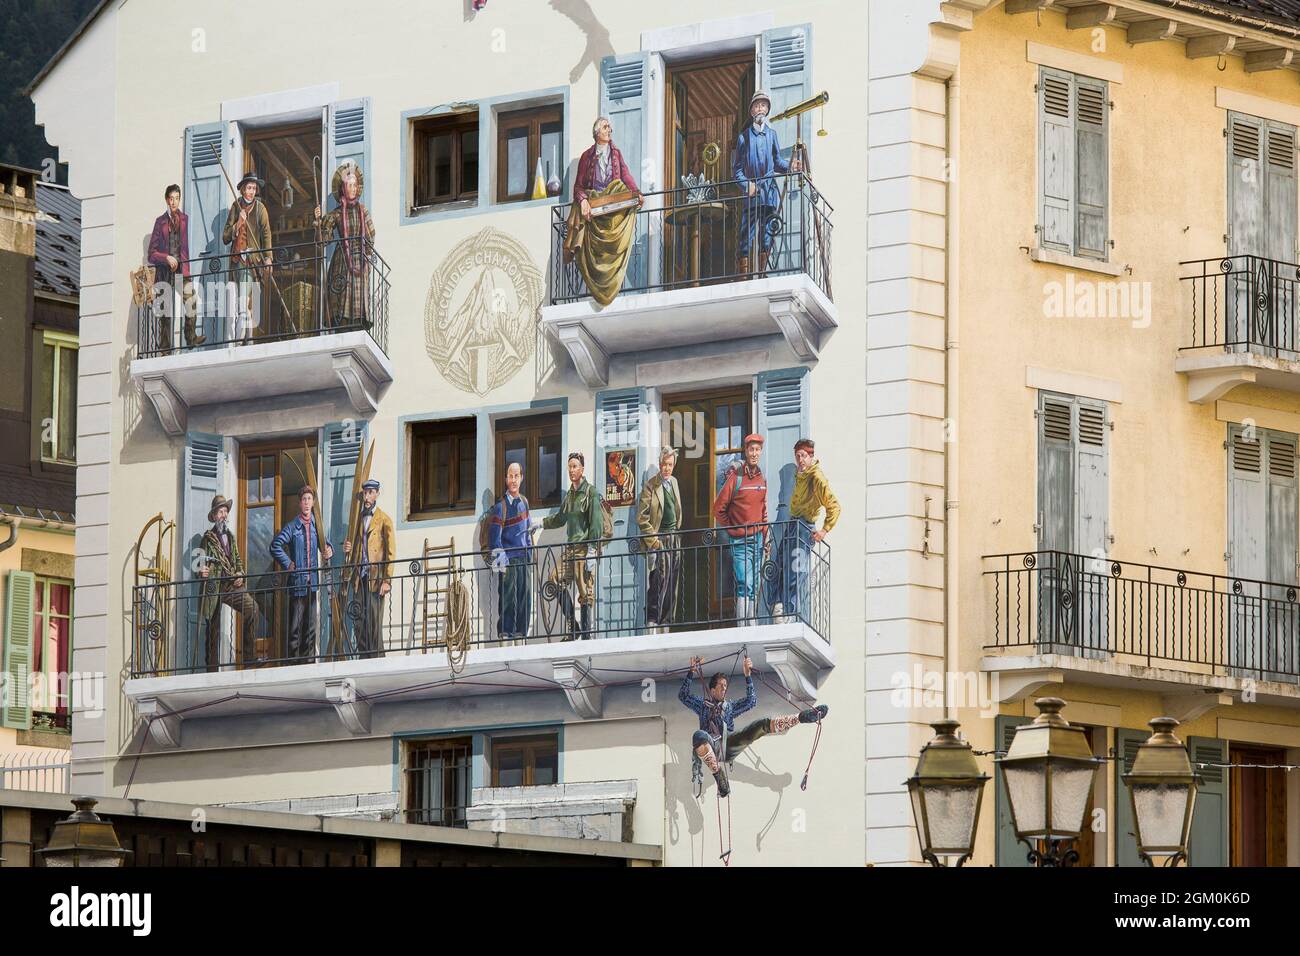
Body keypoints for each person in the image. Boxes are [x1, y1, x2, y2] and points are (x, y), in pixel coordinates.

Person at [679, 655, 827, 797]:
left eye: (725, 686)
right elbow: (683, 695)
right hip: (709, 745)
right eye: (721, 686)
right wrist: (691, 672)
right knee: (698, 735)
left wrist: (747, 675)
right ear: (712, 690)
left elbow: (751, 701)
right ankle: (719, 777)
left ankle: (801, 717)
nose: (724, 689)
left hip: (728, 744)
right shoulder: (702, 705)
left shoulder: (729, 707)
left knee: (760, 725)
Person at [564, 116, 643, 305]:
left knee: (619, 187)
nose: (610, 131)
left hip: (611, 201)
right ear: (597, 132)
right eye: (606, 127)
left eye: (610, 128)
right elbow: (579, 187)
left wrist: (637, 193)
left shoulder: (616, 153)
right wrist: (583, 201)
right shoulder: (586, 157)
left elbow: (626, 176)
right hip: (594, 201)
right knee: (588, 200)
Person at [733, 90, 801, 277]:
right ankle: (744, 275)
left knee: (768, 233)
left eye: (763, 105)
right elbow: (736, 170)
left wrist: (791, 167)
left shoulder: (772, 135)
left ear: (767, 109)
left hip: (769, 192)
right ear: (752, 111)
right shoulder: (743, 138)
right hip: (753, 194)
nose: (760, 108)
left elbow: (778, 162)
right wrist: (748, 186)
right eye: (757, 105)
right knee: (746, 235)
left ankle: (763, 272)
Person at [774, 438, 840, 621]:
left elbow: (834, 506)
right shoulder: (801, 473)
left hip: (804, 528)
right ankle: (781, 610)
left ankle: (790, 615)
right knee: (781, 567)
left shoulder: (816, 477)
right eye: (797, 456)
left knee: (796, 573)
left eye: (803, 456)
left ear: (811, 456)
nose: (800, 460)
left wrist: (824, 531)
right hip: (793, 526)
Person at [542, 451, 604, 638]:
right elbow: (561, 518)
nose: (571, 470)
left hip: (585, 549)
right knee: (554, 579)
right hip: (571, 549)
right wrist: (541, 523)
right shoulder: (570, 494)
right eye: (569, 466)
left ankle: (585, 635)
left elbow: (596, 522)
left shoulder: (590, 492)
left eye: (575, 466)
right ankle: (574, 626)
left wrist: (593, 549)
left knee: (585, 592)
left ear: (582, 469)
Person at [197, 494, 262, 671]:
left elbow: (238, 561)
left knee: (253, 609)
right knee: (213, 629)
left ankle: (249, 659)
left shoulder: (231, 537)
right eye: (220, 511)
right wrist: (201, 571)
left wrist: (240, 572)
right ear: (214, 516)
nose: (224, 514)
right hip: (214, 586)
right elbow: (199, 563)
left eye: (225, 511)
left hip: (231, 585)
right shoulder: (207, 539)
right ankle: (211, 670)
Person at [270, 486, 333, 661]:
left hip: (312, 584)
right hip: (297, 585)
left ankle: (309, 662)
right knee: (295, 630)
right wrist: (288, 563)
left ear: (313, 503)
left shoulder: (316, 525)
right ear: (300, 503)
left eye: (309, 499)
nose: (306, 503)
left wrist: (329, 551)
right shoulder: (292, 526)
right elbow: (275, 546)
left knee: (311, 628)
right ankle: (293, 665)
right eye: (304, 499)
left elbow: (326, 545)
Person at [712, 434, 770, 622]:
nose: (754, 453)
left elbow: (764, 512)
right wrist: (732, 528)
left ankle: (751, 623)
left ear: (761, 452)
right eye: (751, 450)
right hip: (740, 540)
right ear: (746, 451)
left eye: (757, 450)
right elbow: (718, 509)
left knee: (755, 583)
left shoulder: (762, 479)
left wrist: (766, 536)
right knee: (744, 582)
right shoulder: (736, 478)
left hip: (758, 539)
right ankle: (742, 626)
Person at [314, 160, 376, 330]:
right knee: (342, 295)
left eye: (355, 185)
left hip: (360, 260)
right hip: (342, 260)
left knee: (358, 297)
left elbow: (371, 236)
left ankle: (358, 323)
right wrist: (318, 222)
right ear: (343, 188)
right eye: (349, 185)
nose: (352, 188)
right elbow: (323, 239)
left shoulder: (363, 211)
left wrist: (367, 255)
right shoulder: (335, 214)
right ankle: (341, 322)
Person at [488, 462, 544, 644]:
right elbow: (494, 538)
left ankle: (521, 637)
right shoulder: (500, 507)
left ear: (522, 478)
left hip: (524, 559)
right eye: (510, 476)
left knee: (525, 599)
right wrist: (501, 560)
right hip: (508, 560)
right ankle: (505, 637)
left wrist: (530, 553)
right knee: (507, 600)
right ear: (506, 479)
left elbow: (528, 530)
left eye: (516, 476)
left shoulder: (525, 502)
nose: (513, 480)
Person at [147, 184, 203, 350]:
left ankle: (191, 337)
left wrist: (184, 266)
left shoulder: (184, 219)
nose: (174, 202)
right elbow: (151, 254)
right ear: (166, 200)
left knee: (191, 300)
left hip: (181, 270)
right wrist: (166, 258)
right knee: (165, 310)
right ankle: (164, 347)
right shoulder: (160, 222)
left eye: (177, 198)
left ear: (180, 199)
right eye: (171, 198)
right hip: (164, 272)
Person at [342, 478, 394, 658]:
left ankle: (378, 659)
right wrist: (348, 548)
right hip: (359, 577)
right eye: (365, 492)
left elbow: (391, 553)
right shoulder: (357, 520)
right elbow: (355, 547)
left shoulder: (384, 519)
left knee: (374, 621)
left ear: (377, 494)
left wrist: (387, 580)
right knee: (358, 620)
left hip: (375, 579)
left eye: (371, 492)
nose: (367, 496)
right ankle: (364, 658)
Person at [221, 171, 273, 342]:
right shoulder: (236, 207)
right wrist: (238, 224)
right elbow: (226, 237)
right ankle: (249, 341)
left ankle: (237, 343)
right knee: (236, 305)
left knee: (243, 304)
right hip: (235, 262)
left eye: (253, 188)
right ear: (243, 189)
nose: (251, 191)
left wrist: (268, 258)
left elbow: (266, 235)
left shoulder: (261, 209)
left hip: (250, 263)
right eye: (248, 187)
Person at [637, 446, 683, 633]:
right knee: (658, 581)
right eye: (664, 464)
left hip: (674, 538)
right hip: (659, 538)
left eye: (670, 465)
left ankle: (666, 623)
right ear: (659, 464)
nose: (667, 468)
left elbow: (676, 510)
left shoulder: (674, 482)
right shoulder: (651, 485)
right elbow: (642, 517)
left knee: (672, 583)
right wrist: (654, 541)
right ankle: (653, 622)